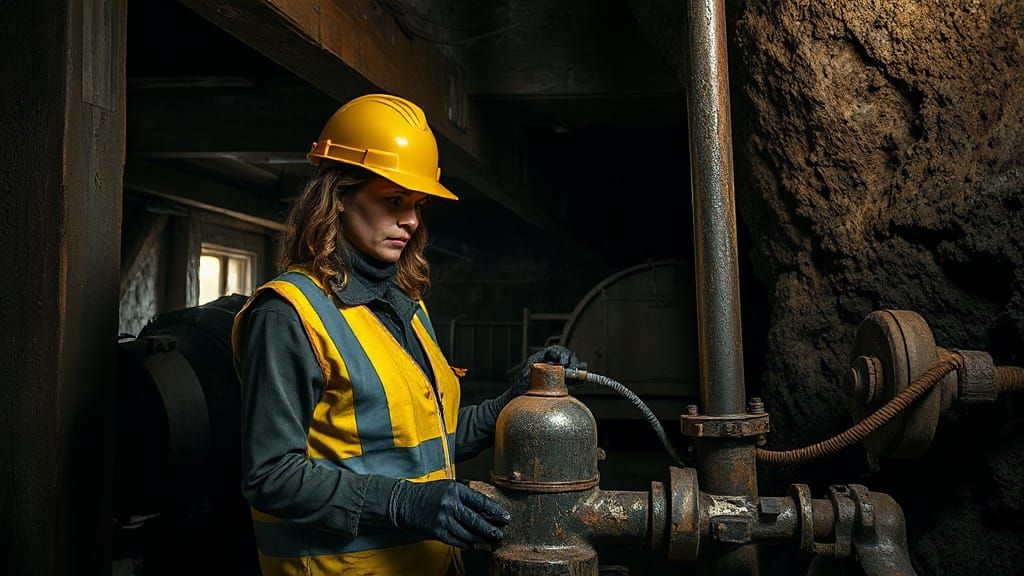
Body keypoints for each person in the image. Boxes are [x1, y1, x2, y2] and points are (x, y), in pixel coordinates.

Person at [231, 93, 584, 575]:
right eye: (393, 200)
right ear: (337, 198)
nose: (412, 220)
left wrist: (518, 397)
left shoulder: (405, 303)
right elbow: (271, 476)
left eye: (417, 204)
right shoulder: (289, 315)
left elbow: (432, 438)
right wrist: (404, 503)